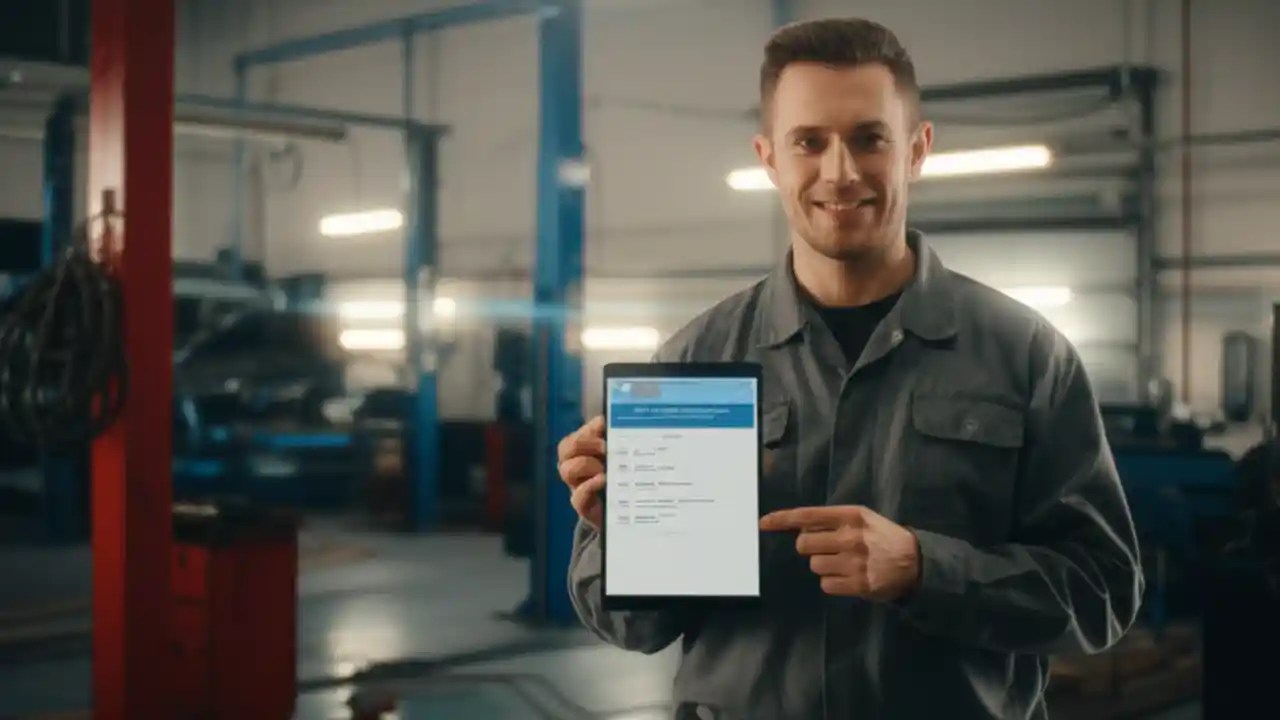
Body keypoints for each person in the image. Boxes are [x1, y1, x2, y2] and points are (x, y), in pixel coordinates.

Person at [558, 17, 1144, 720]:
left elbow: (1103, 593)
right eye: (809, 142)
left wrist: (925, 570)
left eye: (870, 138)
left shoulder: (1025, 355)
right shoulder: (695, 359)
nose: (840, 172)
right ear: (769, 158)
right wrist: (632, 539)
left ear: (917, 150)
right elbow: (629, 627)